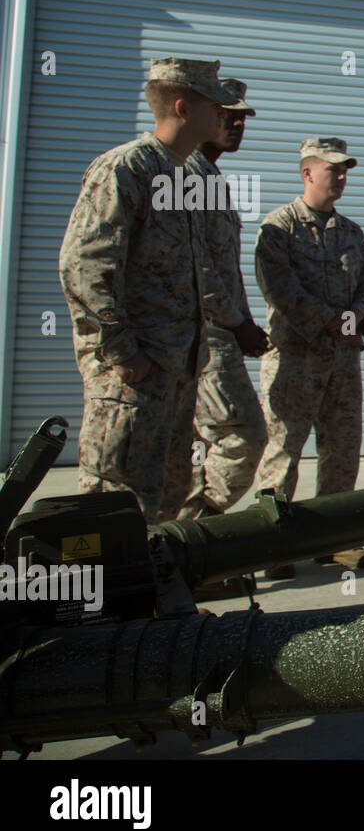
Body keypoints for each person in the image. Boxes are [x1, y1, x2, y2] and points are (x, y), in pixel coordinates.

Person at [59, 57, 238, 524]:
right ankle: (113, 599)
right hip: (133, 380)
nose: (223, 114)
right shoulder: (125, 168)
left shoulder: (190, 178)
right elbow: (83, 264)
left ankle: (158, 597)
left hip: (178, 373)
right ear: (182, 107)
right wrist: (121, 349)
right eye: (213, 105)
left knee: (167, 493)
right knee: (115, 502)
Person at [253, 137, 364, 577]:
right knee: (282, 452)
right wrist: (329, 321)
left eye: (345, 170)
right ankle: (273, 543)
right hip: (294, 359)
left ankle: (335, 541)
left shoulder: (352, 233)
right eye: (333, 170)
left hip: (342, 362)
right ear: (308, 173)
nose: (342, 178)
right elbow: (281, 291)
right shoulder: (278, 228)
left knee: (342, 451)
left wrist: (352, 320)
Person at [172, 79, 270, 521]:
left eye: (242, 118)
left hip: (215, 332)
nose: (235, 125)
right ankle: (196, 530)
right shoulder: (189, 175)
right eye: (227, 115)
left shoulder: (210, 177)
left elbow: (221, 266)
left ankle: (189, 547)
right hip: (205, 335)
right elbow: (197, 265)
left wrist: (243, 322)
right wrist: (237, 324)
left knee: (198, 443)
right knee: (243, 435)